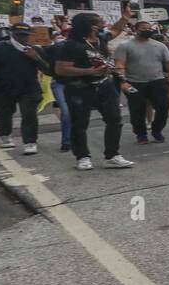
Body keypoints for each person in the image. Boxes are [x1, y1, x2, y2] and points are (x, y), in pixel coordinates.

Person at [52, 12, 133, 170]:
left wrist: (126, 17)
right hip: (79, 88)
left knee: (115, 120)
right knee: (80, 124)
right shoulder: (72, 45)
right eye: (101, 21)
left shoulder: (101, 38)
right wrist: (90, 71)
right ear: (92, 27)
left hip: (104, 86)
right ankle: (82, 156)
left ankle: (112, 155)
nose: (105, 23)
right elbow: (61, 69)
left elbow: (115, 31)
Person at [0, 22, 50, 155]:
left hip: (29, 88)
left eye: (25, 35)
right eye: (18, 35)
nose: (22, 38)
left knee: (29, 114)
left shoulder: (36, 50)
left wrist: (36, 58)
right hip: (2, 88)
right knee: (5, 112)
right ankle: (4, 135)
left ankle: (30, 142)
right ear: (11, 34)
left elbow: (48, 70)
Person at [113, 20, 169, 145]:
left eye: (149, 28)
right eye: (143, 28)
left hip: (157, 81)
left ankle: (157, 130)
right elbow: (120, 65)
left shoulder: (160, 46)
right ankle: (141, 134)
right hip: (135, 83)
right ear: (136, 30)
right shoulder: (125, 46)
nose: (147, 30)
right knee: (137, 110)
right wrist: (123, 81)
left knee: (163, 106)